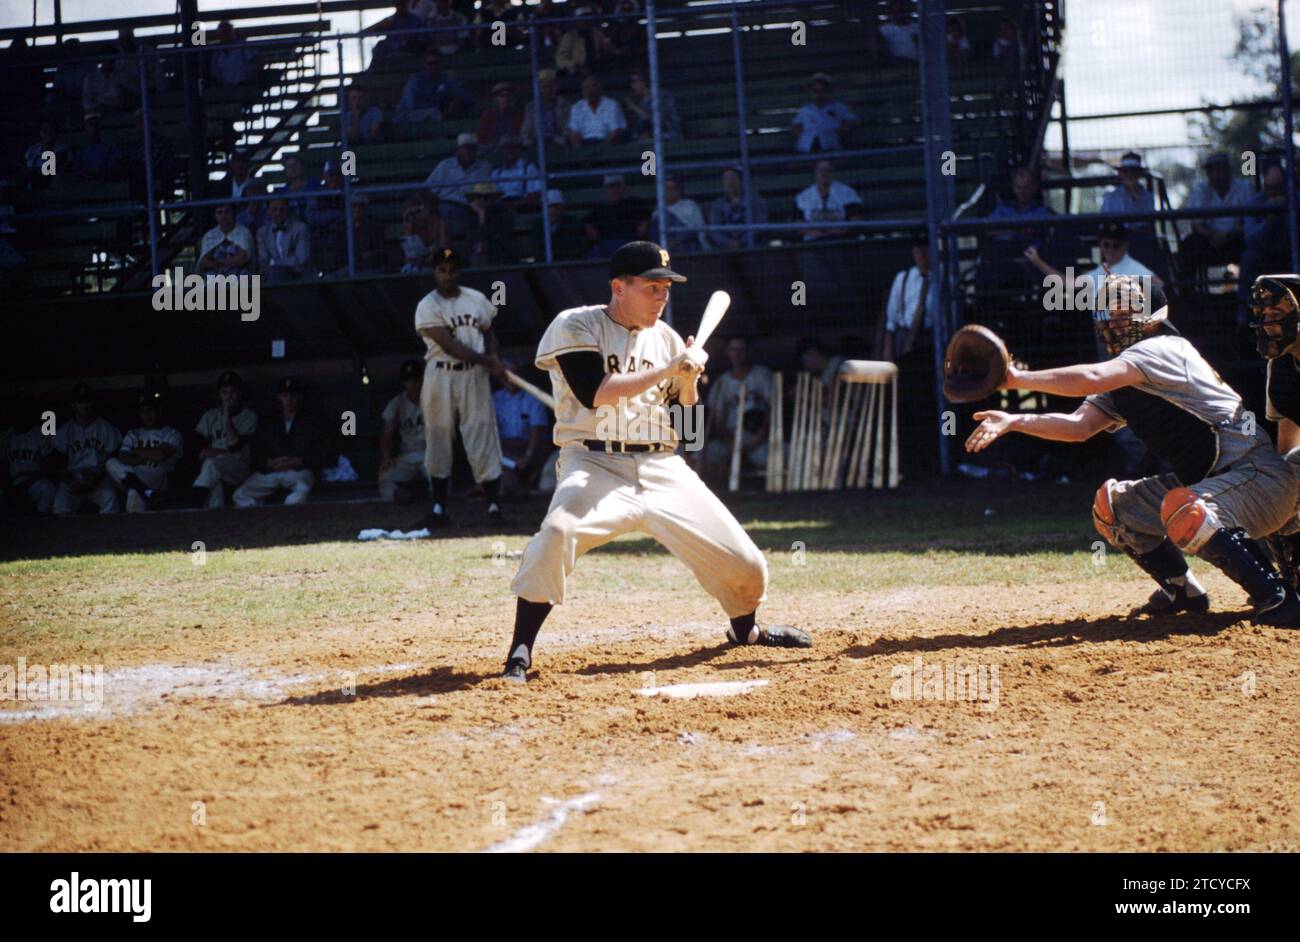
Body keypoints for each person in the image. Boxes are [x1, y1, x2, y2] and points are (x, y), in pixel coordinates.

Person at [500, 240, 812, 683]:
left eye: (666, 287)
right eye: (651, 287)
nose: (661, 296)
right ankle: (520, 649)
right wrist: (669, 369)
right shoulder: (576, 325)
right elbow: (596, 392)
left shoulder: (666, 340)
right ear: (619, 287)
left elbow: (692, 433)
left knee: (748, 566)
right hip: (594, 463)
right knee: (557, 532)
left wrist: (688, 384)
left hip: (662, 467)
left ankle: (747, 631)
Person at [966, 274, 1300, 626]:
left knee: (1183, 507)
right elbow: (1079, 427)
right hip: (1219, 486)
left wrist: (1014, 378)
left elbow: (1093, 376)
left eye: (1126, 310)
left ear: (1156, 315)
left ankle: (1276, 598)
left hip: (1259, 479)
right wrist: (1013, 420)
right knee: (1113, 508)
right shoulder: (1125, 373)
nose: (1114, 319)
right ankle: (1181, 590)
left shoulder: (1162, 348)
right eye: (1109, 311)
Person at [412, 248, 507, 528]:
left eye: (452, 269)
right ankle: (439, 508)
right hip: (440, 374)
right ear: (434, 273)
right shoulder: (427, 305)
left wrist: (494, 358)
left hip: (474, 375)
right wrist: (488, 360)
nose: (447, 275)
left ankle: (493, 506)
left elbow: (489, 332)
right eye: (442, 270)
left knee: (482, 432)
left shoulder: (476, 299)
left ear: (459, 272)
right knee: (439, 435)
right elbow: (449, 346)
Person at [232, 378, 321, 507]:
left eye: (293, 396)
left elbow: (320, 452)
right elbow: (257, 451)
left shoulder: (311, 421)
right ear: (279, 397)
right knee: (240, 495)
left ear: (300, 397)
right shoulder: (269, 422)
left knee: (302, 489)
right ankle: (258, 522)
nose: (289, 400)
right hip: (271, 471)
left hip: (298, 470)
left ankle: (285, 521)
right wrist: (268, 463)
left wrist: (298, 461)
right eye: (285, 396)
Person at [702, 336, 773, 481]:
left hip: (757, 437)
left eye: (742, 349)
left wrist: (760, 436)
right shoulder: (722, 382)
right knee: (703, 454)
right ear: (727, 352)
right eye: (734, 349)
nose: (738, 354)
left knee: (777, 455)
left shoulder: (762, 375)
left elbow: (774, 410)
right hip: (731, 438)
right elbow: (717, 420)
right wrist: (730, 442)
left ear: (748, 351)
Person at [105, 390, 182, 513]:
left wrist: (135, 452)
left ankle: (144, 491)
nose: (147, 415)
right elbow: (123, 457)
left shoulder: (171, 433)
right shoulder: (133, 434)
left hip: (157, 476)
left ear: (158, 410)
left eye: (150, 410)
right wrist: (148, 456)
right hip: (133, 476)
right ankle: (146, 492)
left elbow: (160, 455)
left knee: (133, 491)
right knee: (110, 463)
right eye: (142, 412)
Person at [51, 384, 122, 515]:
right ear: (73, 405)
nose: (84, 405)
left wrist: (97, 477)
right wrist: (70, 481)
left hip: (98, 477)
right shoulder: (64, 431)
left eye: (87, 401)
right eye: (80, 401)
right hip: (73, 478)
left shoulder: (106, 428)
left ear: (93, 403)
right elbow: (58, 463)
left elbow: (114, 460)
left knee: (111, 500)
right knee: (59, 506)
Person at [193, 370, 258, 509]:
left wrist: (227, 418)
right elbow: (199, 451)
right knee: (214, 483)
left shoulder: (249, 417)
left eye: (233, 392)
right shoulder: (210, 416)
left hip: (240, 469)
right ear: (219, 394)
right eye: (225, 392)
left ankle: (194, 505)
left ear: (240, 393)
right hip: (216, 469)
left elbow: (235, 447)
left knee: (211, 464)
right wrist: (226, 453)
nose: (229, 397)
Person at [1180, 151, 1253, 272]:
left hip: (1237, 238)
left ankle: (1252, 287)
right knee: (1187, 245)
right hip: (1209, 240)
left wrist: (1229, 234)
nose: (1217, 174)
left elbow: (1248, 221)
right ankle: (1188, 290)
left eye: (1220, 169)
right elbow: (1196, 224)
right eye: (1212, 170)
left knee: (1254, 242)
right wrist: (1213, 234)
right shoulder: (1200, 190)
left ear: (1228, 171)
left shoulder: (1244, 187)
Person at [492, 361, 552, 497]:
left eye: (514, 375)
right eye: (506, 376)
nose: (510, 379)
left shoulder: (534, 397)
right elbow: (490, 432)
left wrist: (527, 457)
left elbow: (538, 431)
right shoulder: (495, 399)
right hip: (504, 450)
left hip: (529, 448)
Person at [379, 360, 430, 503]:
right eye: (409, 381)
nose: (414, 384)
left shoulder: (433, 399)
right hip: (406, 455)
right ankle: (401, 496)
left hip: (429, 453)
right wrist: (387, 456)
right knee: (385, 476)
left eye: (417, 380)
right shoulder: (397, 402)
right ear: (404, 382)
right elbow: (386, 434)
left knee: (441, 476)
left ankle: (437, 506)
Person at [882, 233, 938, 362]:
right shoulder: (902, 278)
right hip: (906, 339)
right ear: (913, 254)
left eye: (926, 252)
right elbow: (891, 321)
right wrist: (887, 349)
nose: (923, 257)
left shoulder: (942, 279)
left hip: (931, 338)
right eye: (918, 252)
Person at [424, 132, 491, 238]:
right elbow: (428, 190)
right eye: (464, 148)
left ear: (476, 150)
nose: (468, 152)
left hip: (471, 207)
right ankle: (448, 253)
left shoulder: (484, 167)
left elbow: (486, 191)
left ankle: (476, 248)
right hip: (445, 205)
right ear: (458, 150)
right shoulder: (445, 165)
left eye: (471, 148)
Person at [2, 411, 58, 515]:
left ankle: (43, 520)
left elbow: (49, 468)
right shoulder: (5, 436)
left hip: (35, 482)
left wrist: (26, 483)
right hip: (13, 483)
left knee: (47, 487)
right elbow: (3, 469)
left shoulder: (40, 433)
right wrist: (10, 486)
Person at [394, 52, 474, 123]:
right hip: (407, 115)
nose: (433, 66)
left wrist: (458, 99)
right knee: (435, 113)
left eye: (436, 63)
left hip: (433, 114)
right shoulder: (415, 80)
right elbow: (411, 104)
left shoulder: (445, 78)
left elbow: (466, 96)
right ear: (425, 65)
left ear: (441, 64)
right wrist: (436, 107)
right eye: (430, 63)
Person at [790, 72, 858, 154]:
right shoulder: (806, 109)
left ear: (829, 90)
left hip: (830, 147)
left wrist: (838, 133)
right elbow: (795, 126)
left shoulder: (838, 107)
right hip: (807, 148)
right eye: (815, 91)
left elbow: (852, 122)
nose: (819, 94)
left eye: (822, 91)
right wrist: (805, 136)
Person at [794, 160, 862, 240]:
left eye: (827, 170)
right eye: (821, 170)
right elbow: (797, 222)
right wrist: (810, 232)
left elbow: (856, 218)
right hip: (813, 241)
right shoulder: (803, 196)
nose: (824, 173)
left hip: (841, 239)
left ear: (833, 172)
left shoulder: (847, 192)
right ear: (815, 173)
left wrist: (843, 231)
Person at [584, 174, 649, 257]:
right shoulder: (599, 208)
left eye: (618, 186)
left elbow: (645, 219)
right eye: (611, 187)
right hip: (605, 246)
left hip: (630, 243)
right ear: (605, 189)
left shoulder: (634, 203)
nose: (615, 190)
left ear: (624, 188)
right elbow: (588, 223)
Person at [708, 167, 768, 250]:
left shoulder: (756, 200)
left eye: (733, 178)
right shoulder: (717, 204)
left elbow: (760, 224)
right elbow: (714, 231)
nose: (730, 182)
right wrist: (728, 242)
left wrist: (742, 241)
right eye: (726, 179)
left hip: (752, 246)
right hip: (725, 249)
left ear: (741, 180)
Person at [256, 198, 311, 282]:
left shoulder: (301, 228)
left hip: (298, 276)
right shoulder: (262, 232)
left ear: (287, 210)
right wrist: (290, 259)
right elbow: (264, 261)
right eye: (274, 210)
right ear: (268, 212)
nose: (278, 213)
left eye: (282, 209)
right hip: (273, 276)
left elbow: (301, 259)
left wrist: (273, 263)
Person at [650, 174, 708, 253]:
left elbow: (699, 231)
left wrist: (678, 241)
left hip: (690, 245)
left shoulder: (690, 205)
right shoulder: (657, 212)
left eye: (674, 188)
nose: (671, 192)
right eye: (668, 188)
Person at [198, 204, 255, 278]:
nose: (223, 216)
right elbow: (204, 262)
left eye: (227, 212)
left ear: (233, 214)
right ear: (215, 215)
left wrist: (217, 262)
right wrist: (229, 262)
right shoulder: (209, 235)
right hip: (215, 276)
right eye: (219, 213)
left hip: (240, 275)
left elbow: (243, 258)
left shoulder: (243, 232)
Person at [555, 4, 614, 76]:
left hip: (597, 69)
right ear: (577, 21)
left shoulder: (597, 33)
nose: (586, 22)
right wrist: (574, 65)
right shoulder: (569, 36)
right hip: (576, 72)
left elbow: (607, 48)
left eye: (588, 18)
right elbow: (561, 59)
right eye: (583, 19)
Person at [566, 75, 626, 146]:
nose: (590, 91)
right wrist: (579, 151)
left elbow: (616, 131)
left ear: (599, 88)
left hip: (608, 145)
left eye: (593, 86)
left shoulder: (612, 105)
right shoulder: (576, 107)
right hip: (584, 145)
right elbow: (574, 133)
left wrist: (602, 149)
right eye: (586, 88)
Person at [465, 181, 515, 266]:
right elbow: (472, 239)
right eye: (478, 197)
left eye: (486, 197)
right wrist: (481, 215)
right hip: (475, 253)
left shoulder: (503, 213)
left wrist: (486, 246)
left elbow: (501, 238)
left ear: (493, 198)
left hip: (500, 251)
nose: (482, 200)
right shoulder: (470, 214)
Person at [520, 68, 571, 149]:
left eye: (551, 86)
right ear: (540, 89)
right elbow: (526, 130)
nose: (548, 90)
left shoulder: (564, 105)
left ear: (556, 87)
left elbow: (568, 128)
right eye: (544, 87)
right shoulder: (531, 107)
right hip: (537, 143)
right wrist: (528, 142)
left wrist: (561, 139)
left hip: (558, 143)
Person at [623, 70, 681, 142]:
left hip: (670, 136)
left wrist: (633, 107)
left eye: (635, 81)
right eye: (631, 82)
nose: (633, 86)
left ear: (645, 82)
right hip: (651, 139)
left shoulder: (663, 96)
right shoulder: (642, 102)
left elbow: (658, 121)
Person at [534, 189, 589, 260]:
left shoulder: (573, 223)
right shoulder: (538, 225)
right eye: (550, 206)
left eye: (557, 206)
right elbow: (537, 248)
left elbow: (576, 248)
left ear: (563, 208)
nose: (553, 210)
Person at [491, 135, 542, 205]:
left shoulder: (529, 168)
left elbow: (535, 195)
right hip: (501, 208)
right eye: (506, 147)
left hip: (522, 208)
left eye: (514, 147)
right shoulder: (496, 172)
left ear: (520, 149)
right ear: (501, 150)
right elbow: (492, 197)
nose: (510, 150)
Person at [400, 195, 445, 273]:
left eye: (416, 212)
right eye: (410, 214)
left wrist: (432, 259)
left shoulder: (440, 224)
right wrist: (408, 224)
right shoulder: (410, 226)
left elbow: (447, 252)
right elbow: (410, 256)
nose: (413, 217)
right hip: (414, 269)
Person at [209, 21, 260, 88]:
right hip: (226, 90)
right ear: (219, 35)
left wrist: (252, 80)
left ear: (232, 32)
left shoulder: (243, 46)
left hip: (244, 86)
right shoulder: (217, 53)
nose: (225, 34)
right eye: (223, 32)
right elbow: (215, 74)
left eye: (227, 31)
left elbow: (258, 59)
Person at [73, 112, 121, 181]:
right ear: (86, 128)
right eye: (90, 125)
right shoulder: (81, 152)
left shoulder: (111, 148)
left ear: (100, 126)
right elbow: (79, 172)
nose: (94, 128)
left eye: (96, 125)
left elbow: (112, 168)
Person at [477, 81, 523, 151]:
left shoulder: (518, 115)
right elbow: (481, 137)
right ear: (496, 98)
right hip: (493, 148)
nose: (505, 99)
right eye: (502, 96)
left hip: (513, 147)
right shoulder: (488, 115)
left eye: (508, 95)